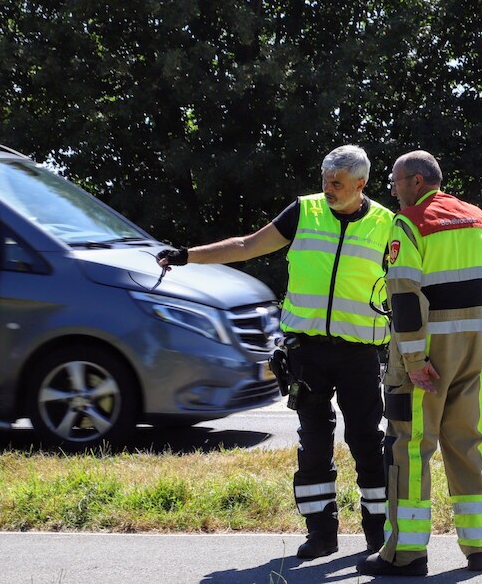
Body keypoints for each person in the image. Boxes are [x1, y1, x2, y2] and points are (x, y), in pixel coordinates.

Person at [156, 145, 392, 560]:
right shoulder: (305, 211)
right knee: (313, 444)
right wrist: (189, 256)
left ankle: (378, 534)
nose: (328, 189)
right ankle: (321, 533)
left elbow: (408, 284)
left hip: (359, 354)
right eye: (324, 180)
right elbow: (247, 246)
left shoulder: (387, 224)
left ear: (362, 184)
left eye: (337, 183)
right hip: (307, 353)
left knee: (366, 442)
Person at [357, 150, 482, 576]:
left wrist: (415, 358)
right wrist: (475, 334)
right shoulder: (477, 218)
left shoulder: (411, 223)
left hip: (429, 352)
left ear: (417, 182)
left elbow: (403, 295)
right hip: (473, 345)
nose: (393, 189)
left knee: (411, 448)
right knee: (467, 442)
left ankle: (405, 554)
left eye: (396, 181)